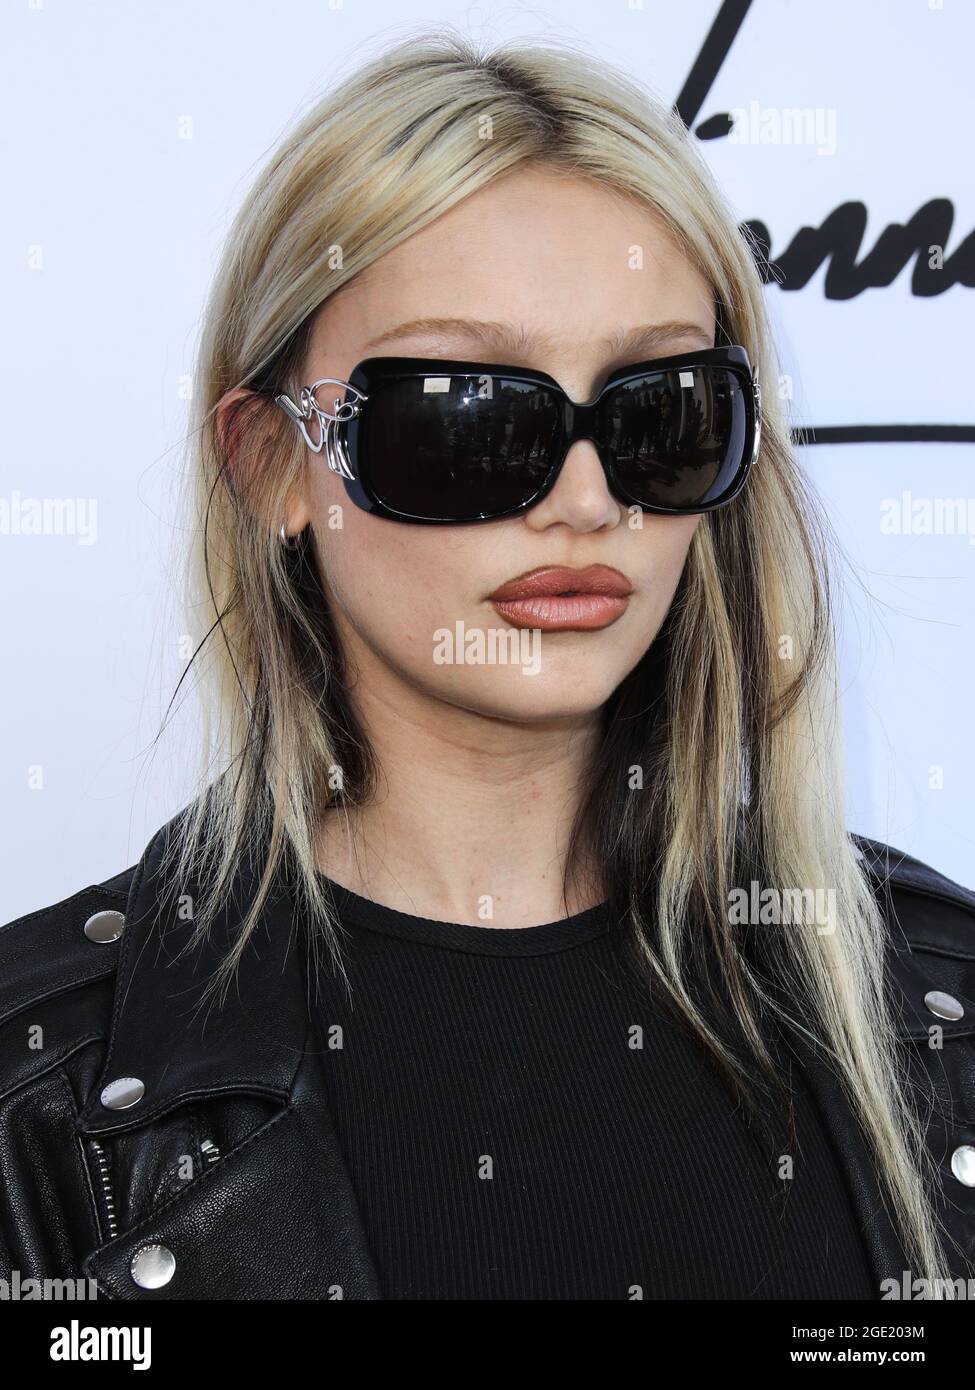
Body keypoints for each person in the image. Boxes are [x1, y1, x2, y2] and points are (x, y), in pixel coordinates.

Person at [2, 30, 974, 1302]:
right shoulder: (42, 1090)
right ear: (275, 465)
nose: (583, 499)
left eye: (658, 411)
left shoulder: (940, 1011)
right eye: (465, 413)